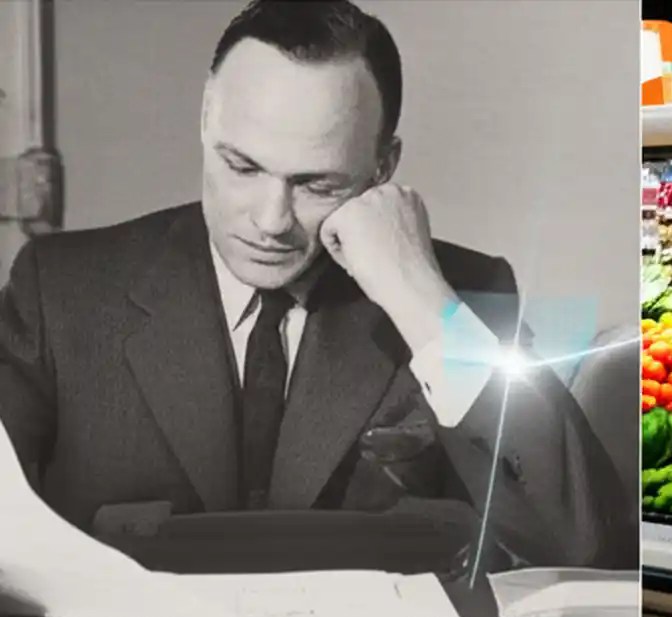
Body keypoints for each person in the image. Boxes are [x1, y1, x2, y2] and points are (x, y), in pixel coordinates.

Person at [0, 0, 637, 572]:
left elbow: (588, 549)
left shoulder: (460, 293)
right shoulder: (60, 291)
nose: (271, 220)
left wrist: (423, 303)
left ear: (382, 166)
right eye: (242, 166)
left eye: (318, 184)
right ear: (204, 119)